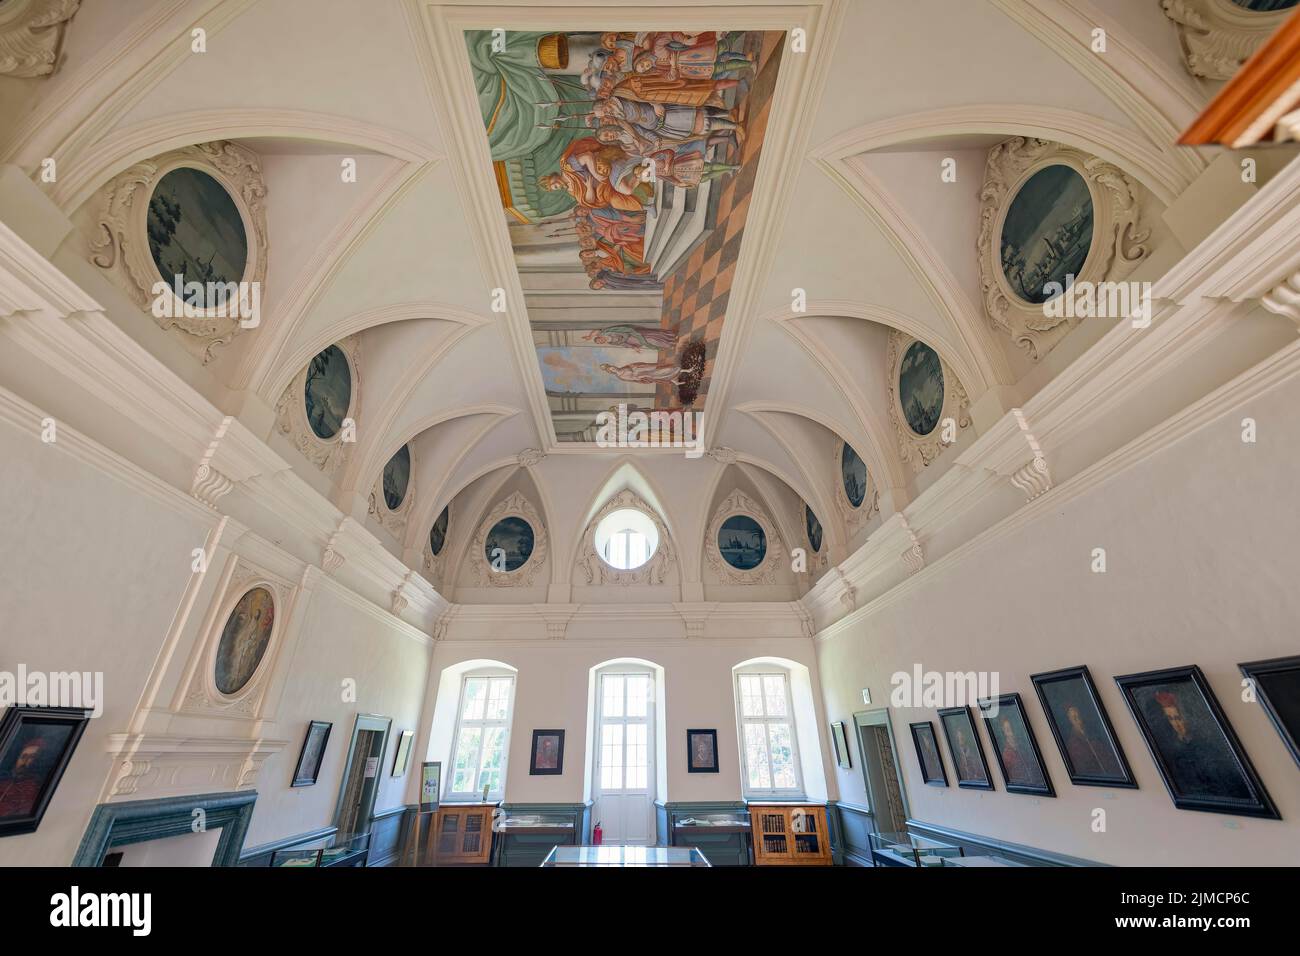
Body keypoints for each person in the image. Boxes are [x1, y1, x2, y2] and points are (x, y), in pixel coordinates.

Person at [0, 736, 49, 818]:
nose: (24, 761)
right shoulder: (5, 782)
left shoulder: (35, 788)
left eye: (32, 757)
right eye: (23, 756)